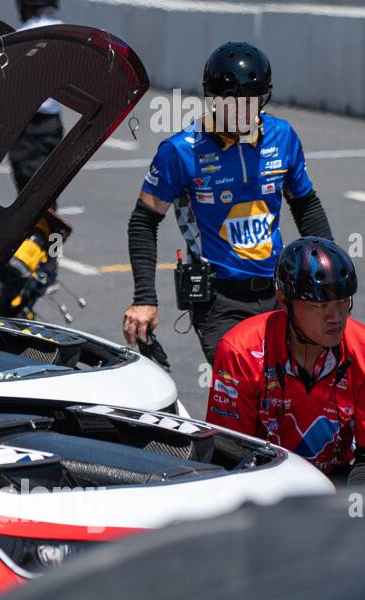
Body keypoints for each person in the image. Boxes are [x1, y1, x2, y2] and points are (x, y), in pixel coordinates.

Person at [123, 41, 334, 364]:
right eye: (231, 103)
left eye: (250, 103)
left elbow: (305, 204)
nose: (241, 113)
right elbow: (144, 221)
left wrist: (329, 275)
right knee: (243, 386)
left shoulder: (283, 136)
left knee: (292, 387)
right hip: (218, 301)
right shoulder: (181, 150)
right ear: (213, 99)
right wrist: (144, 299)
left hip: (279, 291)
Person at [206, 237, 365, 491]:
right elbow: (227, 454)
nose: (336, 318)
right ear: (284, 302)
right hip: (261, 479)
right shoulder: (240, 351)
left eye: (342, 301)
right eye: (320, 305)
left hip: (333, 480)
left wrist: (352, 514)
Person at [8, 0, 64, 192]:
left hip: (29, 125)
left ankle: (40, 228)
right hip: (53, 123)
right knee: (46, 191)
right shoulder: (66, 31)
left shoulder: (23, 37)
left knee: (28, 193)